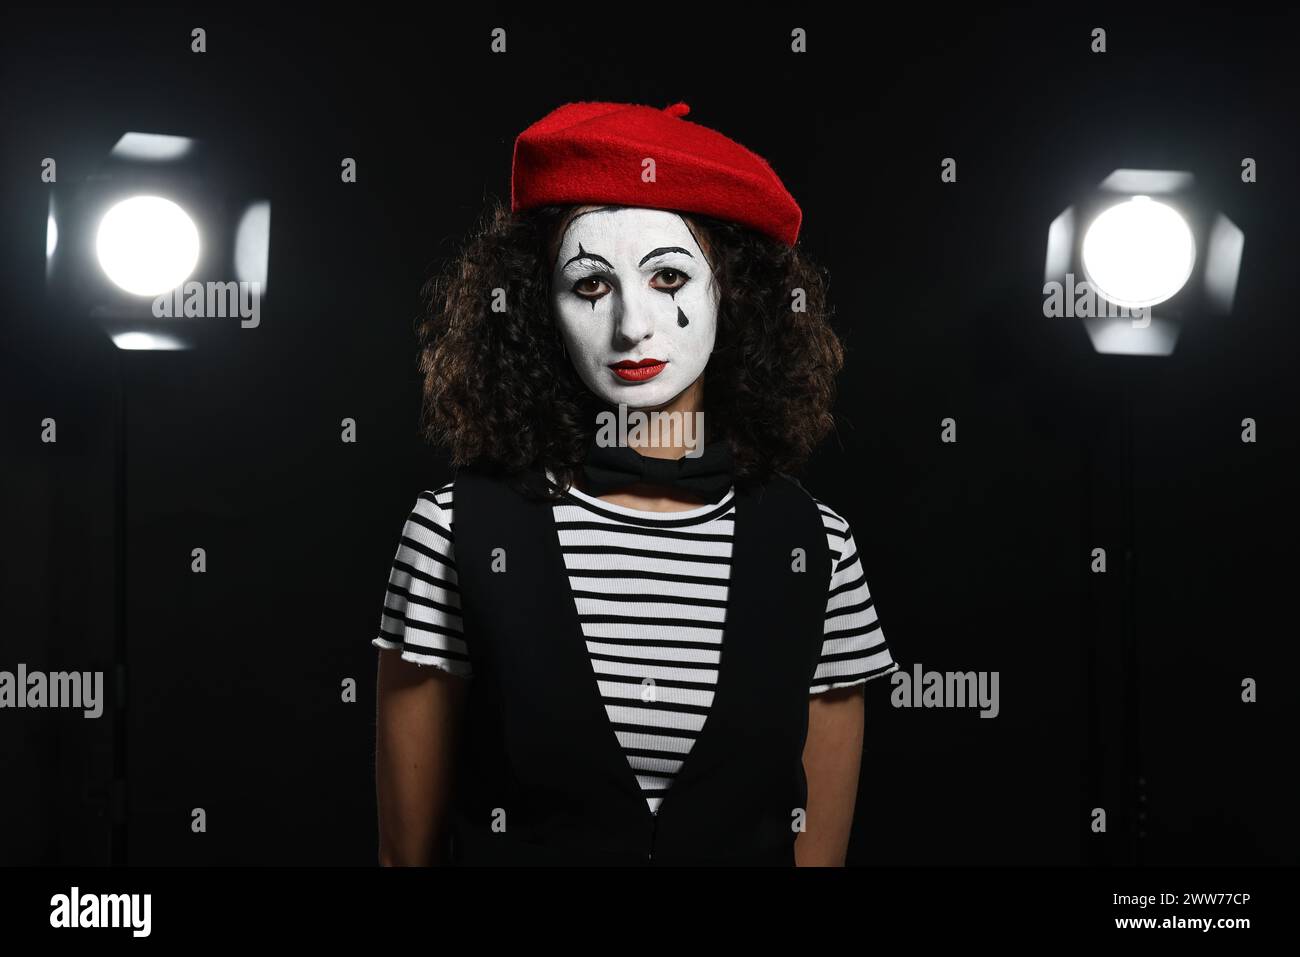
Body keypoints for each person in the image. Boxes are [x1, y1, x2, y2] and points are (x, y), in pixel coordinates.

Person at [373, 100, 898, 866]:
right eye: (590, 285)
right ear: (536, 309)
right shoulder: (452, 534)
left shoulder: (818, 548)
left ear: (735, 294)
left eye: (669, 276)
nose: (631, 326)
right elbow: (404, 859)